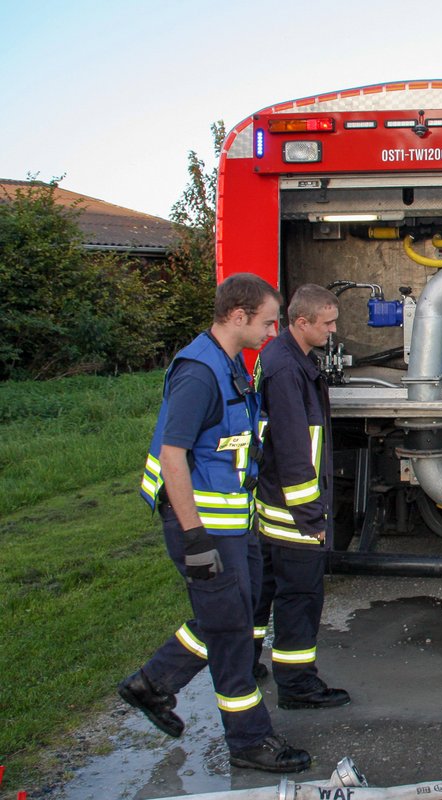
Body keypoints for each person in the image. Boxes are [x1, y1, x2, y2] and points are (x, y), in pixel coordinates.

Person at [119, 273, 311, 773]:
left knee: (235, 617)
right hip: (203, 530)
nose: (273, 332)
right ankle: (249, 741)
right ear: (238, 316)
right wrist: (195, 539)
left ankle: (153, 683)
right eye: (268, 323)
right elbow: (173, 457)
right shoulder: (200, 373)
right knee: (229, 632)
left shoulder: (229, 364)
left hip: (232, 525)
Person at [252, 284, 350, 709]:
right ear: (302, 322)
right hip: (293, 511)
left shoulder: (286, 358)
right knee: (300, 597)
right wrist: (311, 515)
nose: (333, 330)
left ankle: (246, 659)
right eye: (327, 323)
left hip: (276, 505)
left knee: (265, 588)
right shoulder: (287, 370)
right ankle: (296, 686)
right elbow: (294, 450)